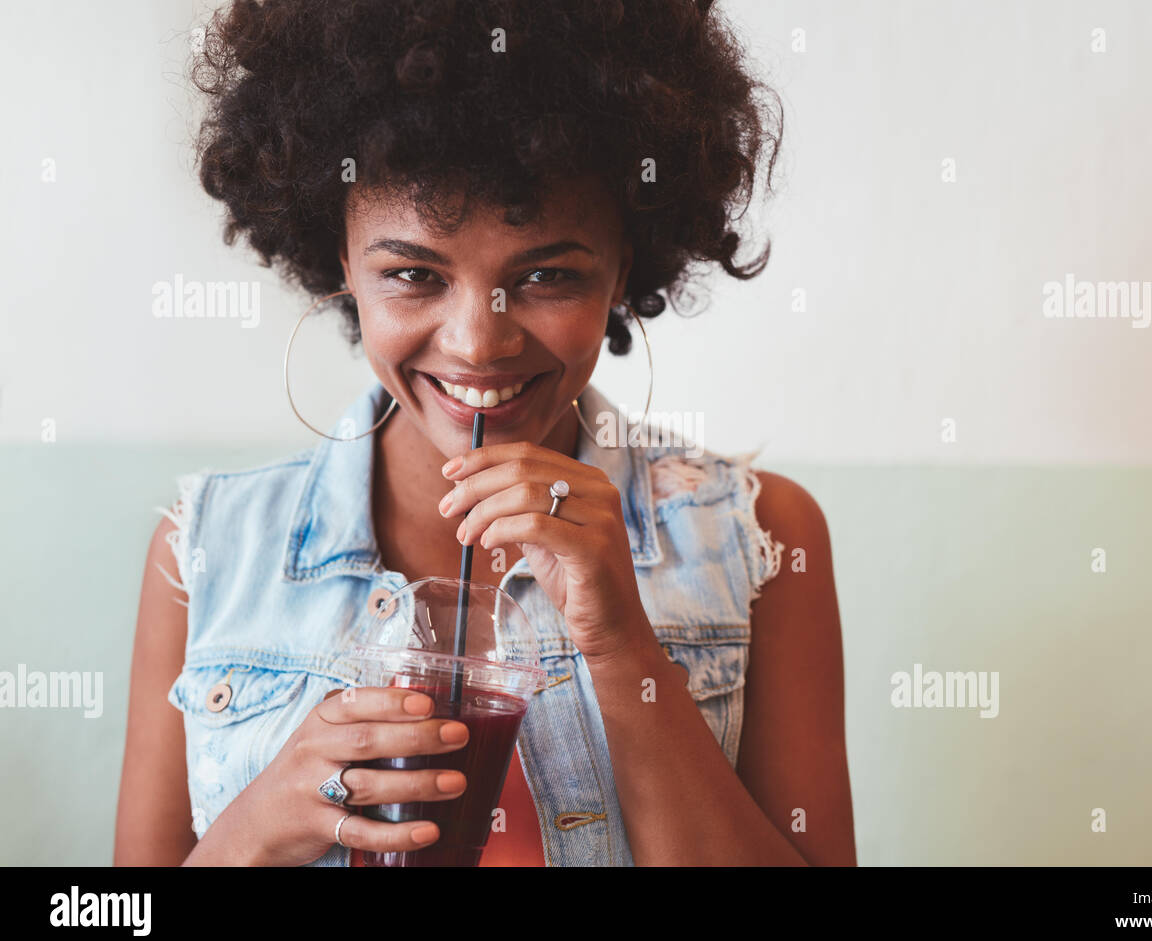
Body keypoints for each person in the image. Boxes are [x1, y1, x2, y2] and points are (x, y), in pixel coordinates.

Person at [115, 0, 854, 866]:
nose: (478, 342)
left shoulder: (761, 541)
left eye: (546, 274)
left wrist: (621, 648)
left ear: (627, 263)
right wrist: (258, 825)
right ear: (338, 257)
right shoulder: (202, 553)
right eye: (413, 274)